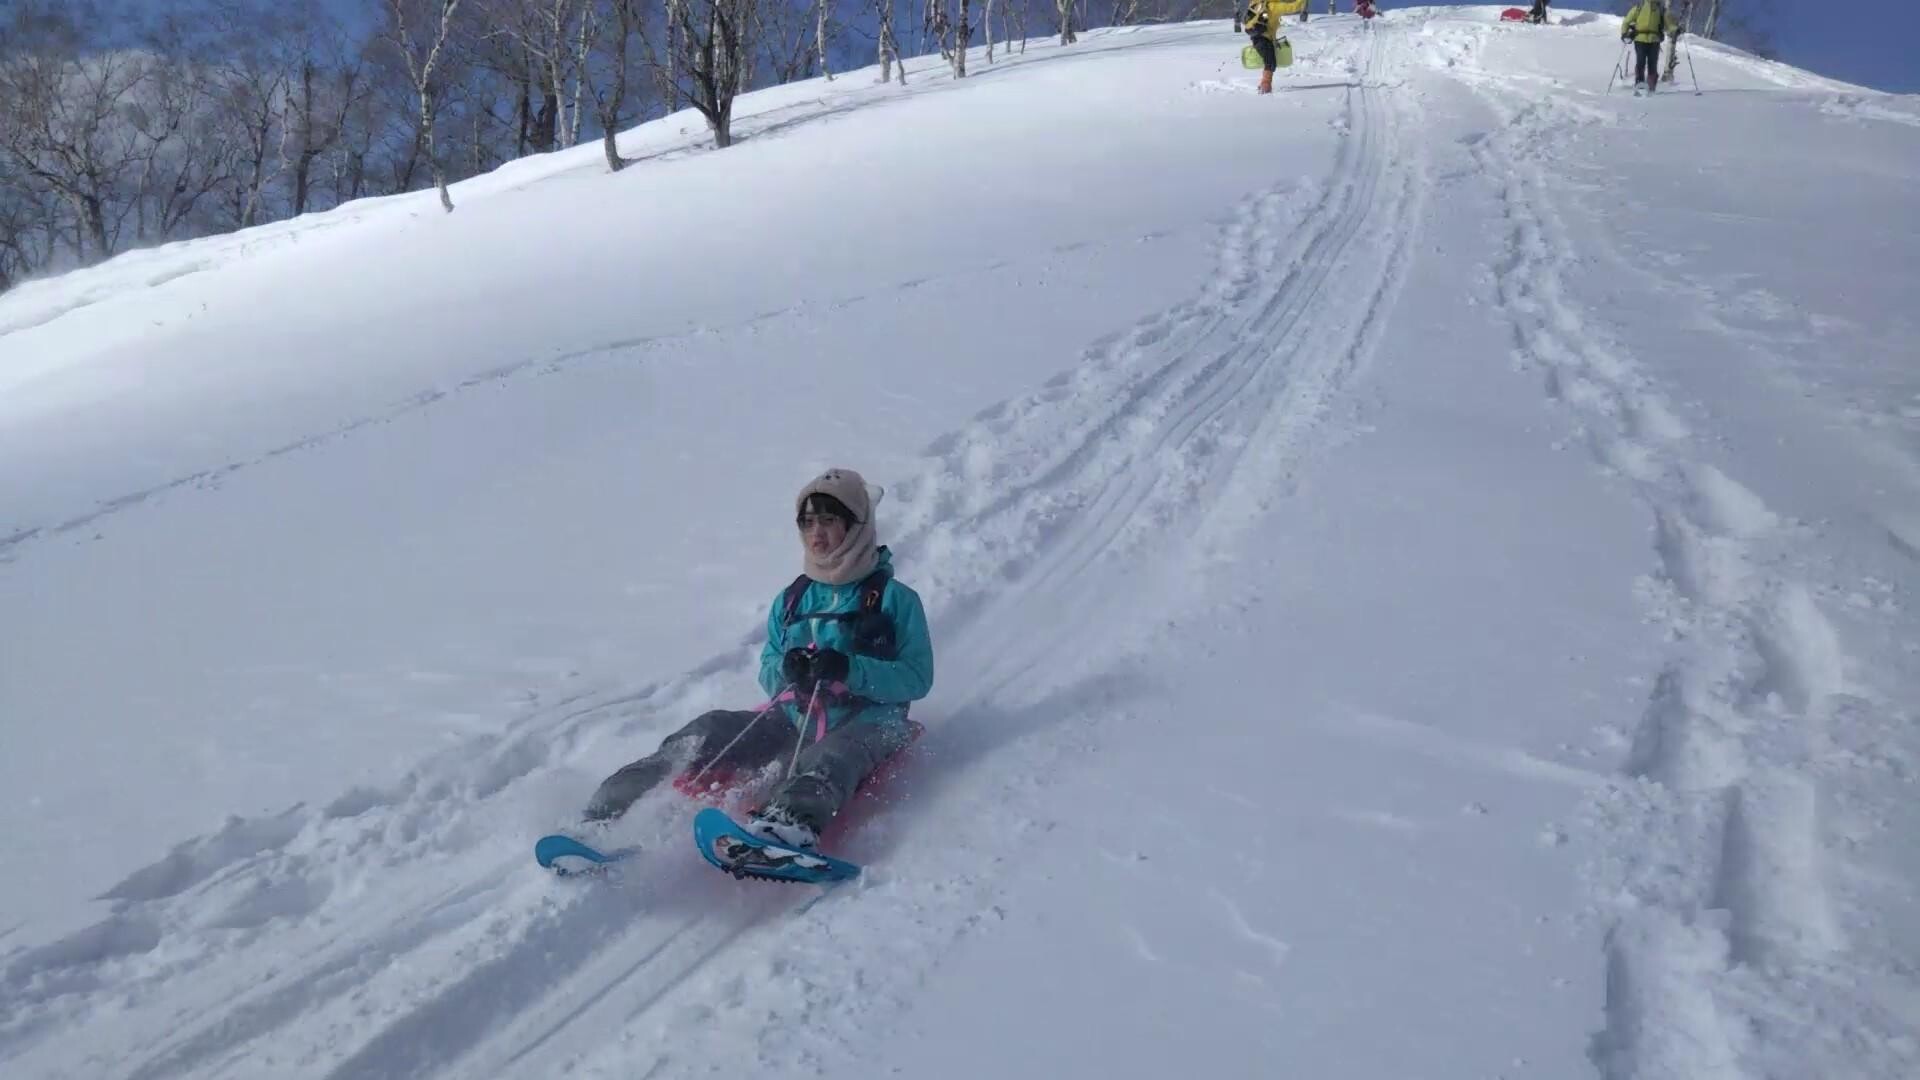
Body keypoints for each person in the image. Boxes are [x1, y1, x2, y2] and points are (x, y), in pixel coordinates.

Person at [583, 468, 935, 849]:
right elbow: (769, 666)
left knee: (830, 757)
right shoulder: (793, 598)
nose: (817, 533)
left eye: (830, 520)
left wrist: (850, 669)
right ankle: (604, 813)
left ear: (856, 526)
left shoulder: (895, 599)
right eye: (808, 522)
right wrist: (788, 671)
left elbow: (917, 677)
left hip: (872, 722)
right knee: (709, 728)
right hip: (796, 716)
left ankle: (787, 828)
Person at [1244, 0, 1308, 94]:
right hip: (1264, 38)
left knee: (1269, 61)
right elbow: (1293, 7)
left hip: (1256, 36)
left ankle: (1264, 85)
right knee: (1270, 63)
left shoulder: (1257, 3)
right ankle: (1265, 87)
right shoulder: (1274, 6)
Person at [1621, 0, 1674, 92]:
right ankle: (1640, 84)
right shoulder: (1639, 7)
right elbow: (1627, 21)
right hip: (1640, 39)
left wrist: (1675, 30)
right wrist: (1624, 33)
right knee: (1641, 61)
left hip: (1654, 39)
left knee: (1652, 63)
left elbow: (1669, 24)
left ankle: (1651, 87)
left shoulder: (1660, 9)